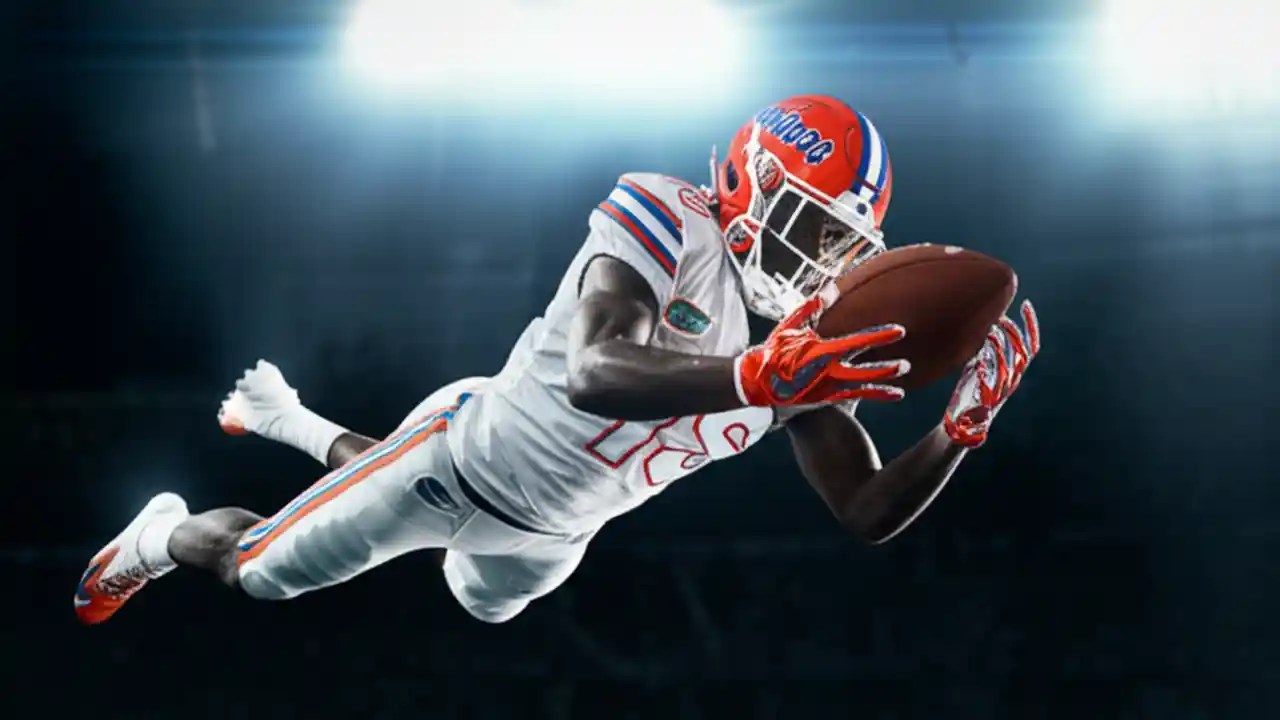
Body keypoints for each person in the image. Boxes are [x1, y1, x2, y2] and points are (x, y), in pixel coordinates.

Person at [74, 95, 1039, 626]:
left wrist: (957, 435)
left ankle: (294, 420)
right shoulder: (668, 216)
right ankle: (158, 535)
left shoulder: (806, 344)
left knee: (478, 599)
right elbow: (595, 370)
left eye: (835, 244)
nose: (811, 260)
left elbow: (865, 511)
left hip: (554, 538)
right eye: (803, 224)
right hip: (460, 456)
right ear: (750, 183)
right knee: (256, 572)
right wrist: (751, 378)